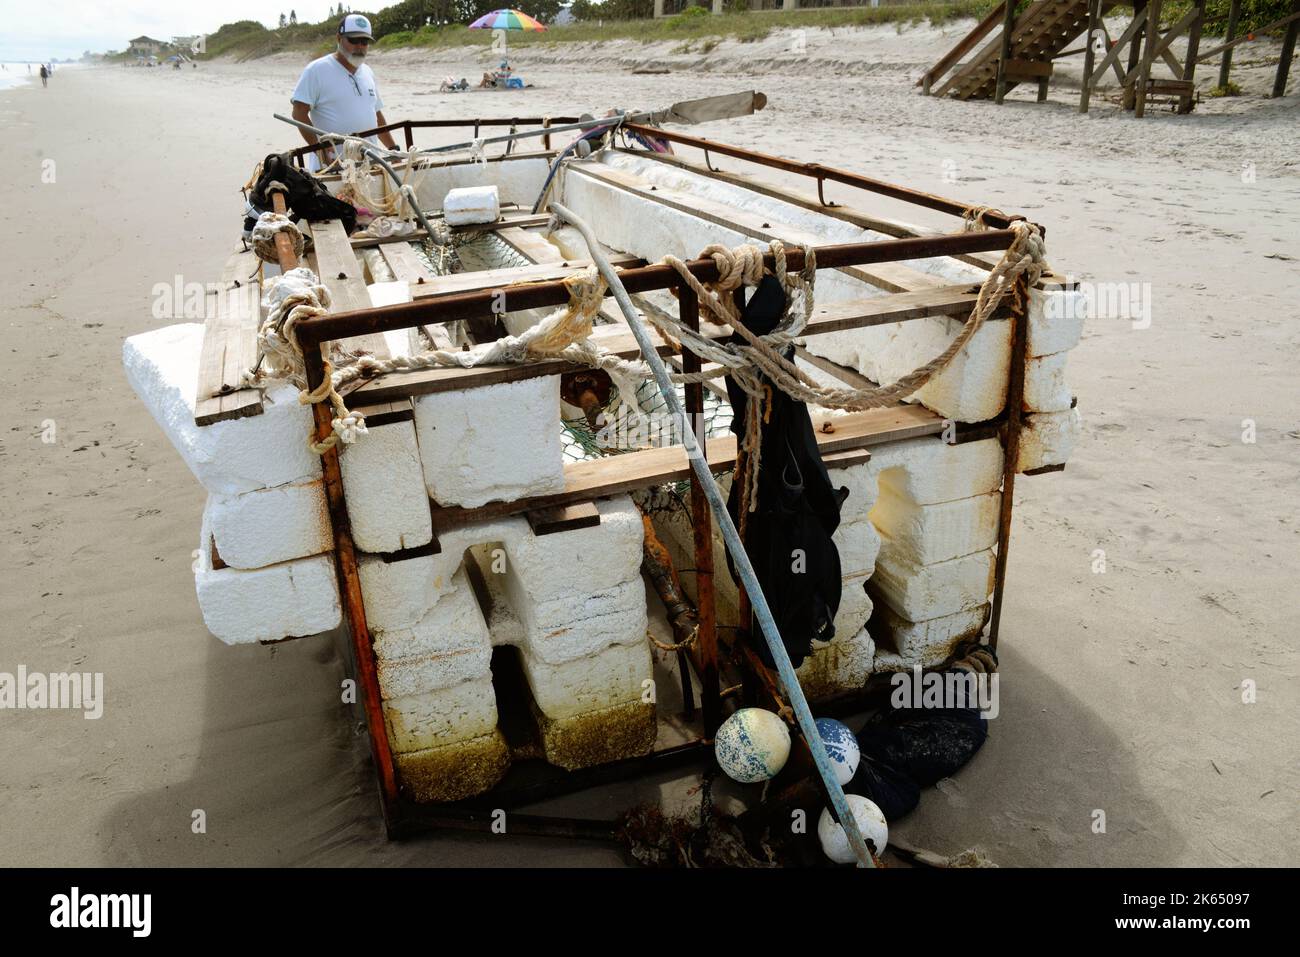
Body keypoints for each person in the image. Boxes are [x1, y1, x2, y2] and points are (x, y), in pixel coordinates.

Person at [290, 14, 399, 172]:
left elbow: (376, 114)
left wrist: (392, 148)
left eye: (364, 41)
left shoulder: (368, 72)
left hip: (370, 167)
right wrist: (319, 149)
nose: (359, 46)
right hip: (333, 169)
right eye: (353, 40)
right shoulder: (316, 70)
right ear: (339, 38)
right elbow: (298, 113)